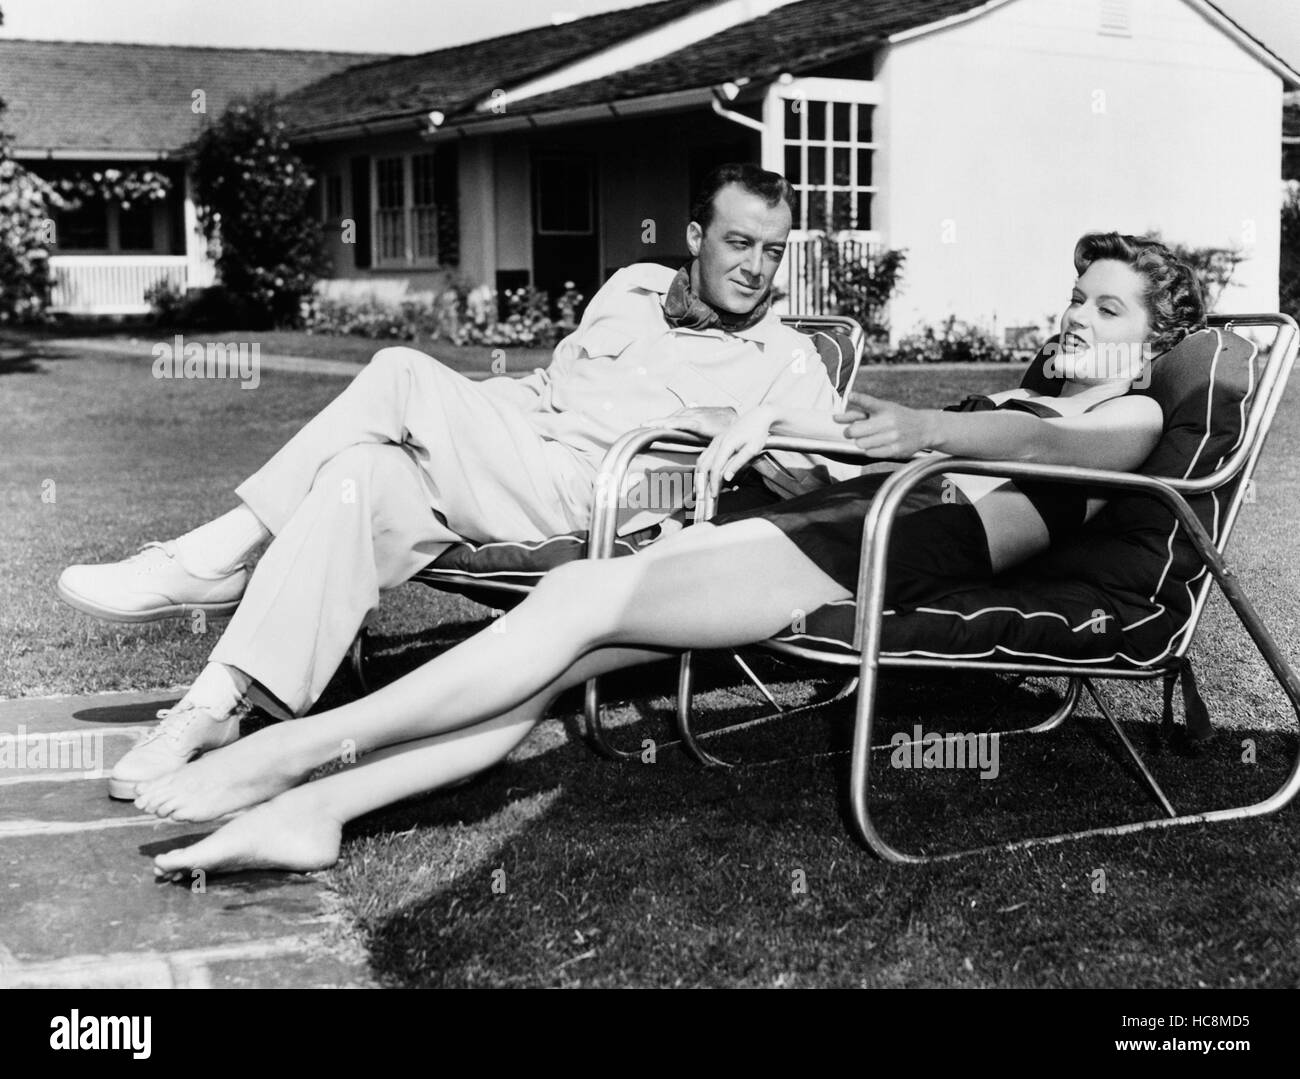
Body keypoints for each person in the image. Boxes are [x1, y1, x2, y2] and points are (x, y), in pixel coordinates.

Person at [135, 231, 1206, 879]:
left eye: (1106, 306)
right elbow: (917, 432)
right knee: (559, 653)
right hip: (847, 518)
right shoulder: (1035, 389)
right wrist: (791, 434)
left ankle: (287, 751)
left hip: (895, 542)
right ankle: (318, 810)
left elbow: (1027, 447)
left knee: (580, 598)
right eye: (1075, 295)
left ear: (1152, 340)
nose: (1074, 314)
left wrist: (926, 432)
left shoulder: (1131, 416)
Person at [55, 164, 856, 799]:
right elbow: (549, 385)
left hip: (603, 503)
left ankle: (206, 557)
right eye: (739, 242)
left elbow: (829, 472)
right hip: (520, 456)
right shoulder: (631, 289)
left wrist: (758, 426)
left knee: (400, 371)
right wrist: (465, 413)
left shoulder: (785, 357)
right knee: (358, 473)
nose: (756, 267)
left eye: (773, 250)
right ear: (695, 235)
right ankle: (215, 705)